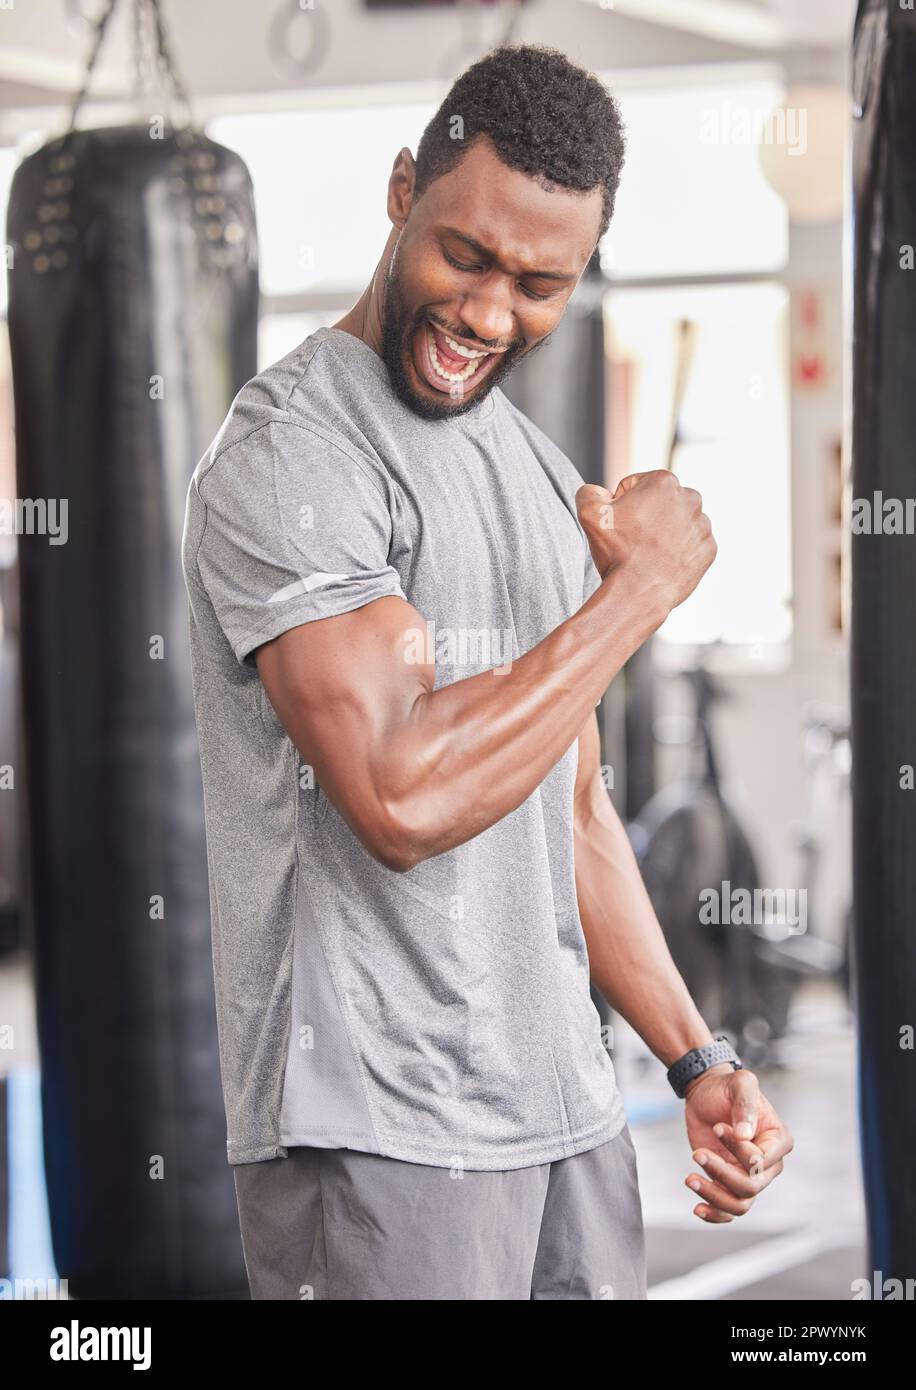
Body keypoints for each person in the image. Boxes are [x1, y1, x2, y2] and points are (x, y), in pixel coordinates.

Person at [181, 43, 793, 1301]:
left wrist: (693, 1056)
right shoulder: (297, 455)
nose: (486, 315)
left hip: (567, 1115)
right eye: (465, 255)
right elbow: (402, 794)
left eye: (538, 284)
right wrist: (637, 594)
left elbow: (568, 809)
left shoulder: (526, 464)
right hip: (381, 1132)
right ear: (403, 187)